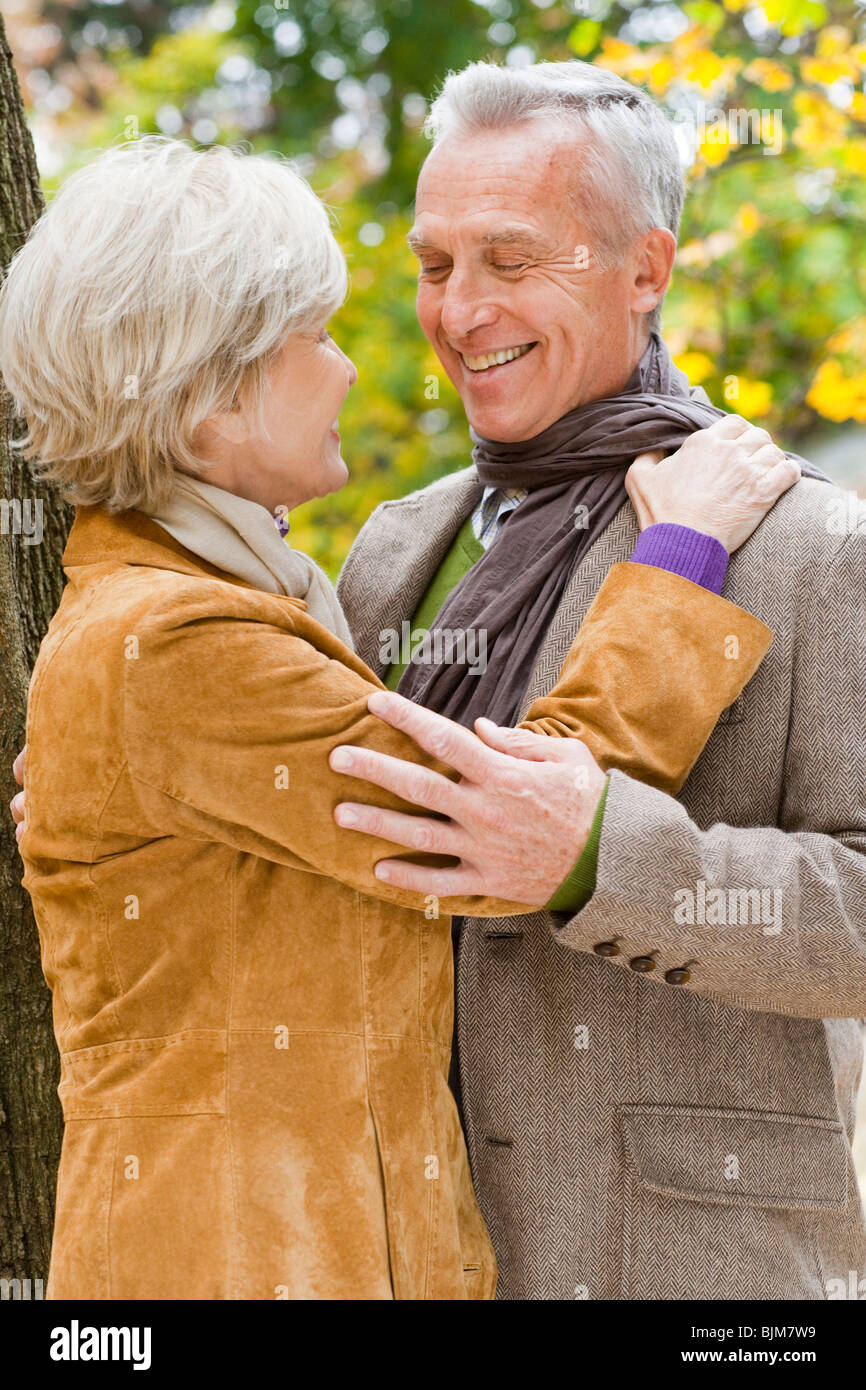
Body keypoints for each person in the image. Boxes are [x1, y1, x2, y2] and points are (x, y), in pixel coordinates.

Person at [2, 138, 790, 1300]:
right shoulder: (177, 643)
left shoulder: (221, 609)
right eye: (313, 340)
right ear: (213, 385)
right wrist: (676, 562)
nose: (351, 374)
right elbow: (505, 823)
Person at [326, 60, 866, 1301]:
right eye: (433, 265)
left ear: (645, 270)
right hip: (399, 1255)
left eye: (511, 263)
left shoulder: (807, 545)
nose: (460, 312)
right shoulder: (394, 546)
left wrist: (599, 857)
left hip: (684, 1269)